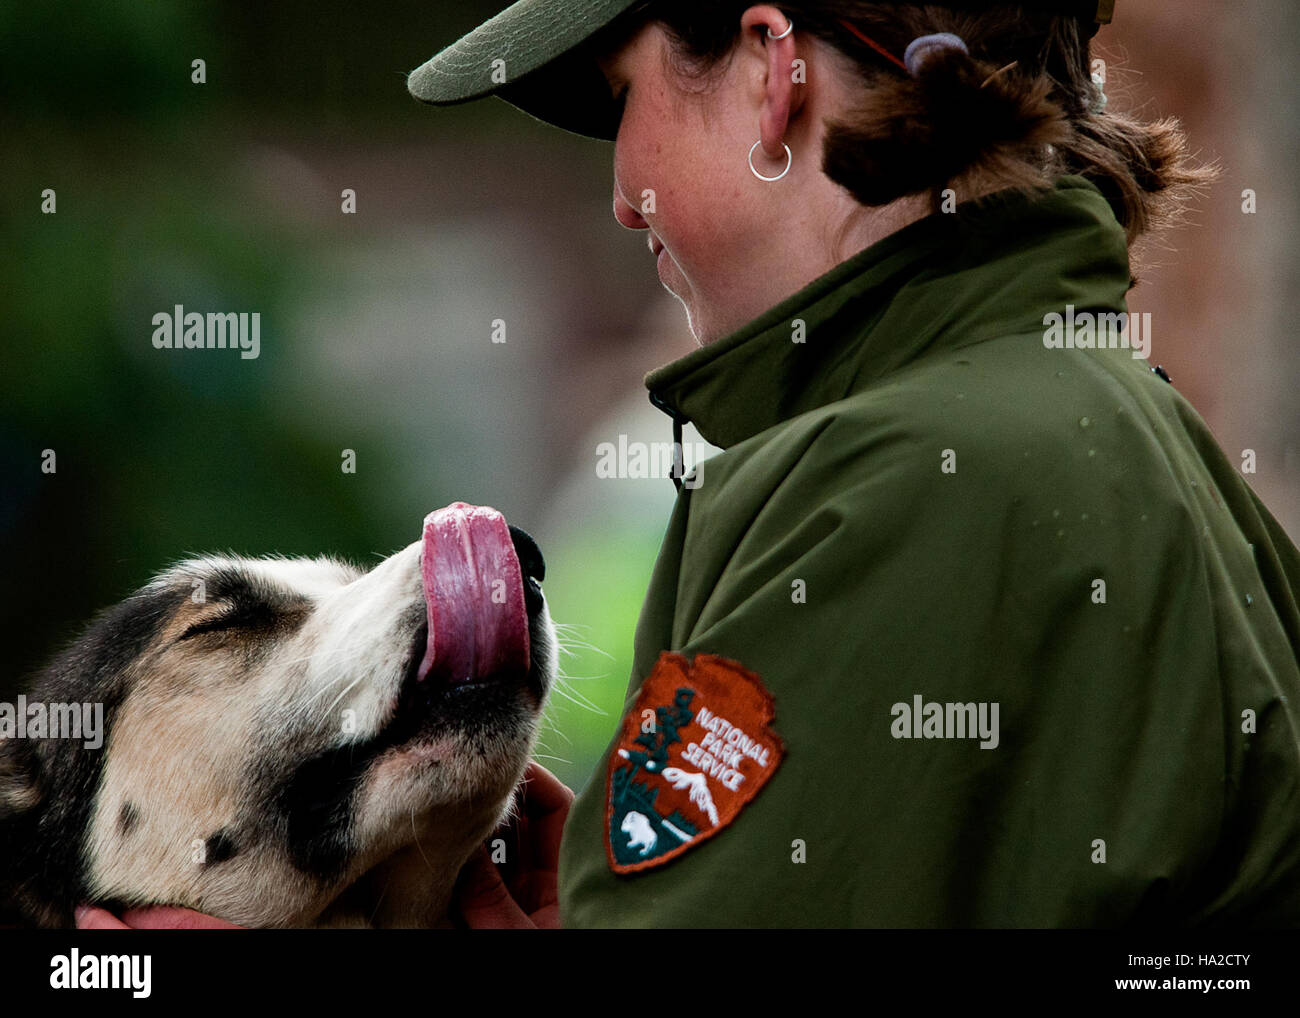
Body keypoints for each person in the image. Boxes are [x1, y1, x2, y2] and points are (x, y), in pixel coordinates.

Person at [79, 0, 1300, 929]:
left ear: (773, 74)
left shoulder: (900, 472)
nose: (620, 194)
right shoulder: (1113, 424)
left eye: (622, 98)